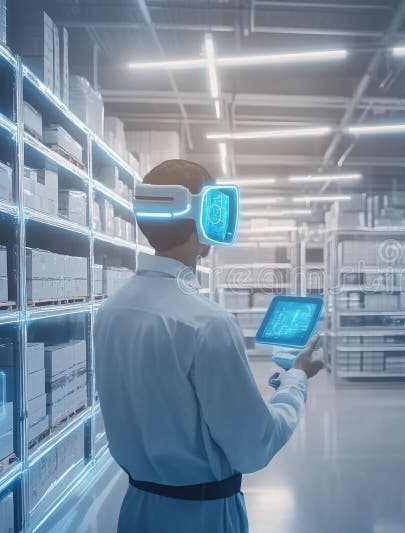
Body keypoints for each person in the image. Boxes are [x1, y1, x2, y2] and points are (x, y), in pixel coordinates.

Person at [94, 160, 323, 533]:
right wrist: (297, 379)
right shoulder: (208, 324)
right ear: (201, 223)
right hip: (202, 517)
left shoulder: (110, 311)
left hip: (136, 510)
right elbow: (254, 446)